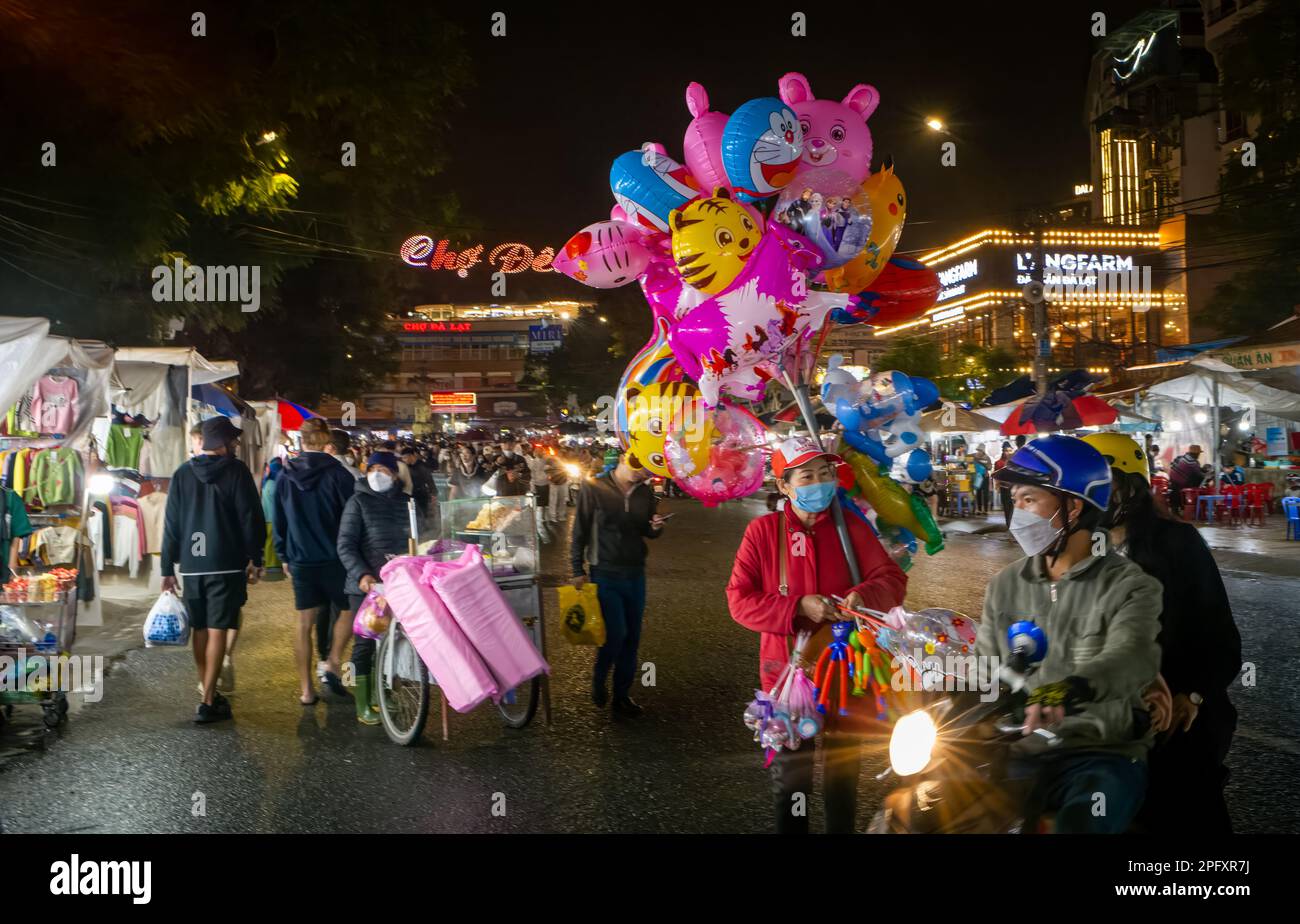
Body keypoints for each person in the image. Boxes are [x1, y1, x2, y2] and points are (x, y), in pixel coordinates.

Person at [727, 436, 907, 834]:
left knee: (844, 773)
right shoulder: (762, 533)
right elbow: (739, 601)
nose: (819, 483)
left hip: (846, 673)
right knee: (793, 780)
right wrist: (796, 608)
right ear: (784, 486)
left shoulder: (851, 529)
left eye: (825, 474)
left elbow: (892, 577)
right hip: (788, 677)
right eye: (807, 476)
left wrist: (865, 594)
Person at [983, 435, 1163, 833]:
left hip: (1099, 754)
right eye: (1015, 501)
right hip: (1018, 749)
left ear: (1073, 506)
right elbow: (985, 667)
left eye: (1029, 500)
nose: (1018, 514)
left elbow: (1132, 655)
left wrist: (1071, 688)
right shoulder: (1004, 585)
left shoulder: (1130, 585)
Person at [1083, 433, 1242, 834]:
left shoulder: (1177, 543)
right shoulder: (1081, 550)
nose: (1092, 497)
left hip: (1178, 720)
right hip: (1108, 720)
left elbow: (1219, 634)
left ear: (1130, 487)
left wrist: (1191, 695)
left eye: (1103, 485)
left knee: (1184, 811)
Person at [161, 416, 265, 724]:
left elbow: (171, 524)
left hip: (193, 563)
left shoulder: (182, 473)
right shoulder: (236, 472)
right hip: (226, 562)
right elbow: (251, 518)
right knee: (219, 627)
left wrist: (167, 567)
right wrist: (255, 557)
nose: (234, 445)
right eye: (231, 441)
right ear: (220, 443)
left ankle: (206, 687)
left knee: (201, 628)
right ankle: (207, 699)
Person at [570, 449, 665, 718]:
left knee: (632, 638)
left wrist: (656, 527)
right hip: (605, 574)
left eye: (648, 469)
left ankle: (622, 696)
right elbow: (580, 531)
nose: (643, 472)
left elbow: (646, 531)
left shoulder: (645, 493)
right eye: (639, 464)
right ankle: (599, 679)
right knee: (615, 634)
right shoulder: (594, 488)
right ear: (624, 459)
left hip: (635, 573)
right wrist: (577, 568)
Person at [273, 418, 357, 704]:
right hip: (336, 558)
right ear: (325, 441)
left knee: (303, 622)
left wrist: (283, 554)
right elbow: (351, 519)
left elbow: (279, 519)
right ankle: (333, 661)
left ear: (303, 441)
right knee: (348, 610)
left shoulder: (285, 476)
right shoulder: (340, 475)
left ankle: (306, 690)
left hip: (301, 559)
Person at [336, 451, 410, 725]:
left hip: (400, 586)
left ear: (394, 474)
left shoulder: (406, 502)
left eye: (384, 469)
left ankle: (384, 693)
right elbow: (345, 544)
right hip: (367, 588)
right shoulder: (357, 502)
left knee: (393, 643)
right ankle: (362, 702)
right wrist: (362, 575)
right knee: (365, 645)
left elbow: (416, 538)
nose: (378, 473)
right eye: (373, 468)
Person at [399, 445, 438, 531]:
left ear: (412, 456)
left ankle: (425, 533)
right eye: (403, 458)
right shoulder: (407, 467)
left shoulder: (422, 466)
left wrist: (433, 494)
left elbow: (430, 481)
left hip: (421, 495)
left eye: (405, 458)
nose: (404, 460)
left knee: (423, 515)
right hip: (411, 495)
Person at [1167, 444, 1205, 516]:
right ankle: (1192, 506)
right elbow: (1199, 474)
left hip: (1172, 480)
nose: (1199, 455)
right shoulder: (1193, 462)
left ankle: (1175, 510)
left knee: (1176, 490)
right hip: (1180, 482)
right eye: (1199, 454)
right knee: (1196, 482)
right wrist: (1206, 476)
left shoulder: (1181, 457)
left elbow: (1173, 465)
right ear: (1196, 454)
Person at [994, 442, 1015, 528]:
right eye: (1006, 451)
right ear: (1003, 451)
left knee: (1013, 507)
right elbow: (996, 476)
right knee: (1006, 507)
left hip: (1013, 488)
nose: (1008, 453)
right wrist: (997, 485)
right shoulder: (998, 463)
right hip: (1004, 487)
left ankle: (1012, 524)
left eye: (1010, 450)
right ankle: (1008, 524)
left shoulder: (1014, 462)